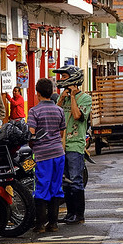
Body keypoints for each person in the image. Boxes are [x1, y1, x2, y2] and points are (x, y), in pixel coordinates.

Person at [27, 77, 66, 233]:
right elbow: (61, 132)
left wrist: (33, 145)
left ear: (38, 93)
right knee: (56, 187)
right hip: (58, 153)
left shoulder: (34, 111)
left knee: (42, 187)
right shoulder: (59, 110)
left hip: (42, 155)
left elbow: (31, 134)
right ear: (52, 93)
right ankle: (54, 223)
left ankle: (40, 225)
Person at [54, 65, 91, 224]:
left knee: (76, 180)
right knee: (66, 181)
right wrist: (62, 99)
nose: (62, 79)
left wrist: (74, 97)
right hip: (61, 145)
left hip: (75, 145)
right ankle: (70, 213)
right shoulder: (64, 98)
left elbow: (77, 115)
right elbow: (55, 115)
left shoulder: (85, 99)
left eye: (64, 76)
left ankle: (79, 215)